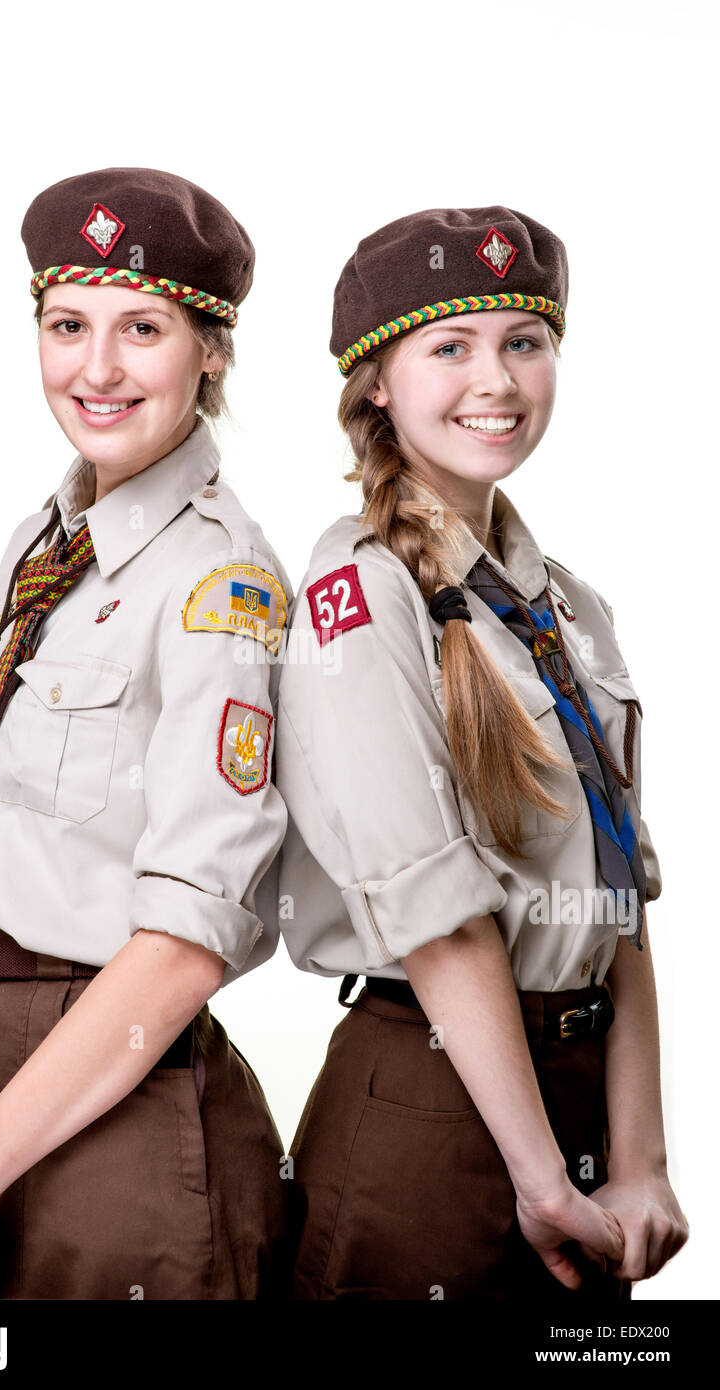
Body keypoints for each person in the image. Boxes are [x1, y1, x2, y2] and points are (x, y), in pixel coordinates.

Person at [0, 167, 292, 1300]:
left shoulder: (221, 581)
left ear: (211, 350)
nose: (96, 369)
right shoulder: (42, 545)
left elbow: (186, 937)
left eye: (142, 329)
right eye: (68, 325)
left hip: (110, 1117)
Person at [274, 206, 688, 1301]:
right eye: (449, 347)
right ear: (375, 383)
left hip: (578, 1099)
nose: (494, 380)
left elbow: (620, 901)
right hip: (433, 1108)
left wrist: (641, 1159)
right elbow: (438, 916)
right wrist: (544, 1177)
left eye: (524, 342)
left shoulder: (571, 607)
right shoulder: (355, 589)